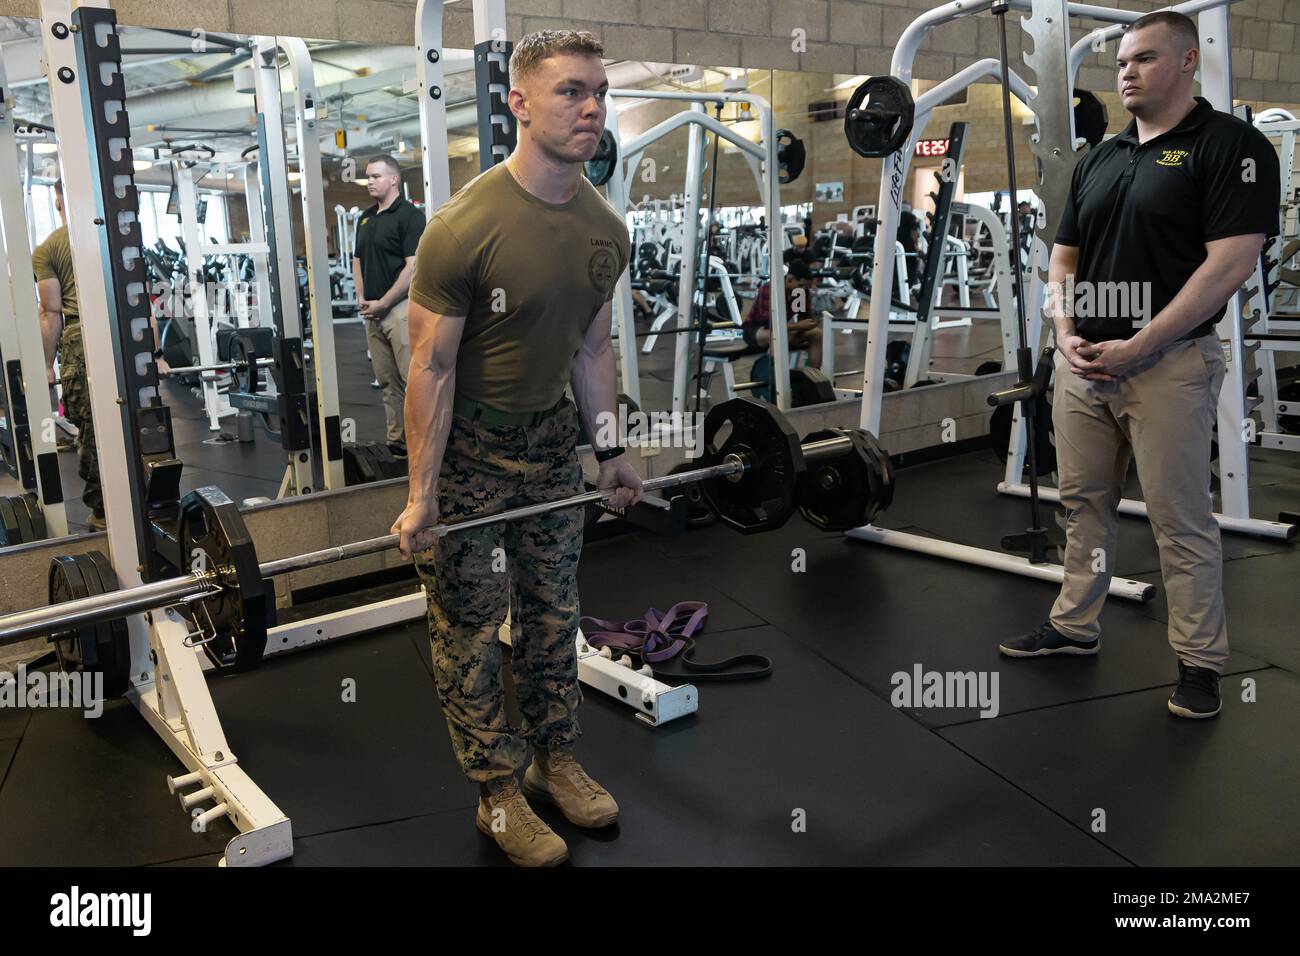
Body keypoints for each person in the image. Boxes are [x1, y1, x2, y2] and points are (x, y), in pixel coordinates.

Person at [390, 30, 638, 867]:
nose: (592, 107)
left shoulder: (606, 229)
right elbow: (430, 366)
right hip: (466, 453)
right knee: (467, 626)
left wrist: (610, 453)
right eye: (571, 91)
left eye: (599, 90)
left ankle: (553, 762)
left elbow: (592, 351)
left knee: (551, 613)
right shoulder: (463, 228)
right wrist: (423, 497)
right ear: (519, 102)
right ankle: (496, 795)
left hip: (547, 447)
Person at [998, 11, 1279, 720]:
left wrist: (1143, 341)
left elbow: (1231, 263)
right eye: (1122, 61)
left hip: (1170, 366)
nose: (1126, 72)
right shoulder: (1102, 157)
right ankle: (1073, 624)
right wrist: (1063, 332)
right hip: (1085, 365)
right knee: (1083, 506)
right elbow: (1064, 256)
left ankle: (1200, 663)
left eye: (1145, 59)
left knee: (1178, 520)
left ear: (1187, 62)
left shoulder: (1230, 147)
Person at [33, 180, 168, 531]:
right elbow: (144, 305)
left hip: (82, 340)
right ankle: (152, 499)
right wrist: (155, 354)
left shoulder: (47, 249)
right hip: (127, 333)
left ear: (60, 201)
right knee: (143, 419)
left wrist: (47, 365)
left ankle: (104, 513)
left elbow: (50, 312)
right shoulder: (124, 240)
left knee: (93, 430)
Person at [352, 154, 425, 459]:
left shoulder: (409, 216)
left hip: (400, 309)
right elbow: (357, 260)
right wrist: (363, 298)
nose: (369, 181)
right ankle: (399, 443)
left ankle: (426, 444)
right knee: (387, 382)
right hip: (373, 312)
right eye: (367, 176)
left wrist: (385, 302)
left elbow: (413, 267)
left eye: (376, 176)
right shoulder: (365, 218)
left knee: (415, 382)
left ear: (394, 179)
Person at [742, 254, 822, 368]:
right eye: (801, 285)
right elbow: (769, 323)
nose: (803, 289)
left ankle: (814, 377)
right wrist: (799, 326)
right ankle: (774, 380)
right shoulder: (770, 289)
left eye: (806, 286)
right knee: (778, 336)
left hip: (783, 330)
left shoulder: (799, 293)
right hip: (756, 332)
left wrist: (811, 323)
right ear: (789, 279)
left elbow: (804, 318)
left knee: (816, 333)